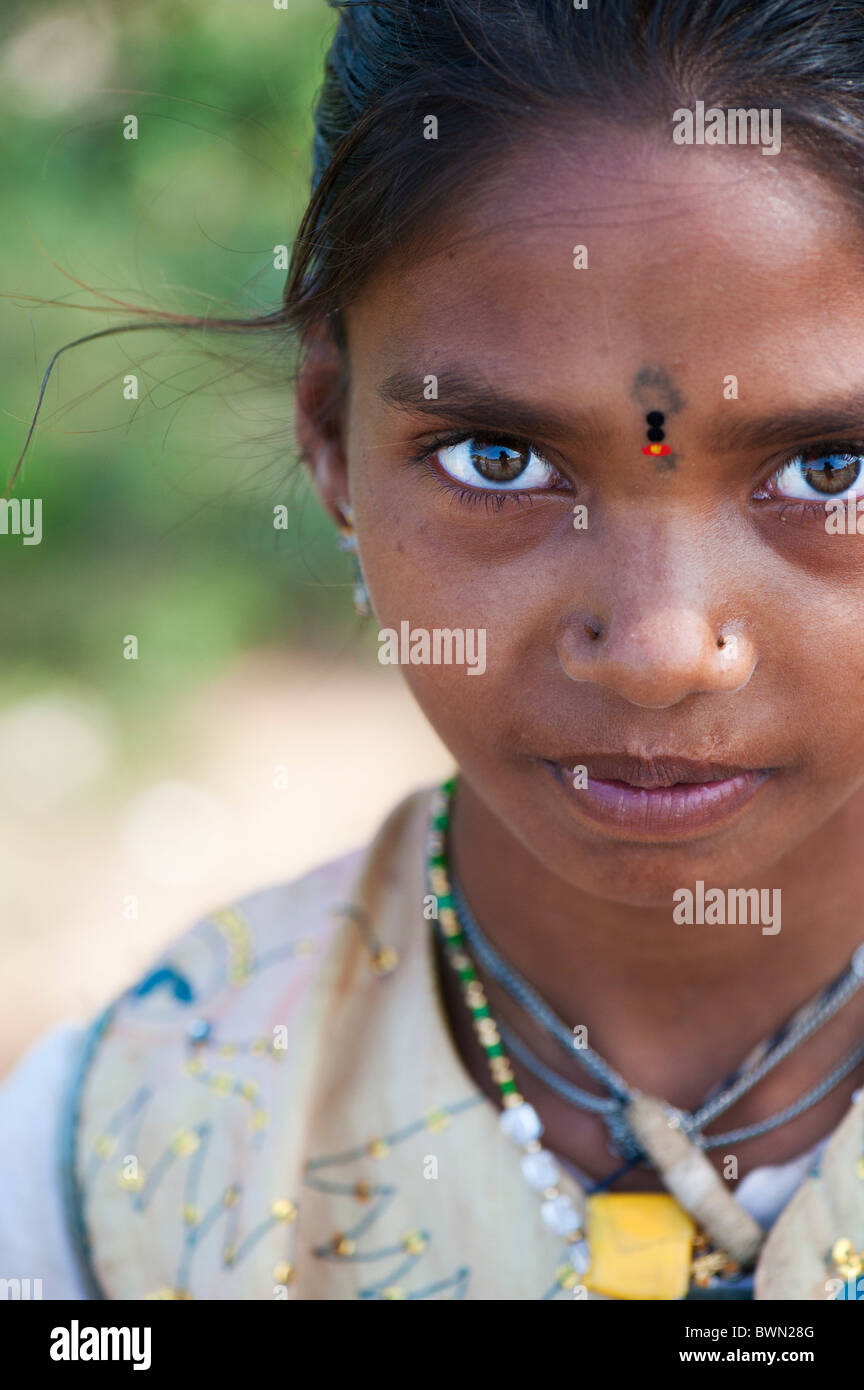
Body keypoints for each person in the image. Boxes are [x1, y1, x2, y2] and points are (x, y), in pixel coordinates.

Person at [2, 0, 864, 1302]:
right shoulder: (118, 1168)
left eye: (828, 466)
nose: (657, 648)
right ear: (331, 438)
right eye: (500, 460)